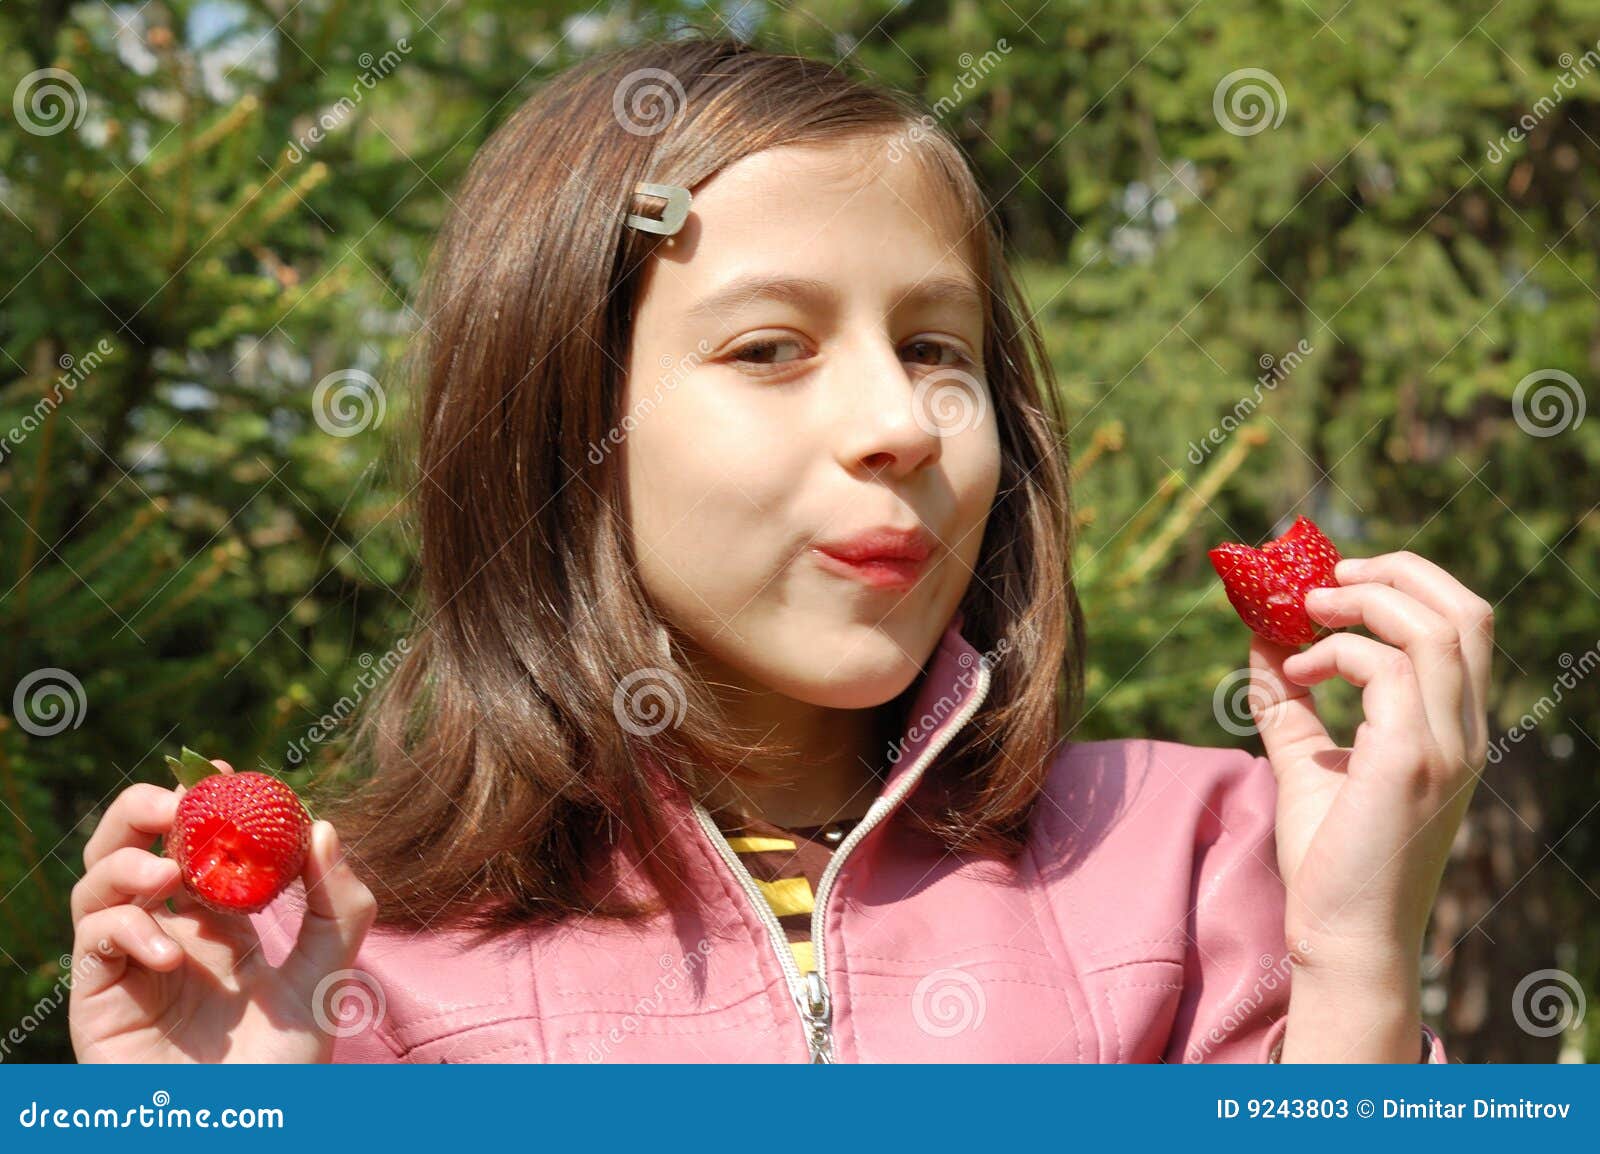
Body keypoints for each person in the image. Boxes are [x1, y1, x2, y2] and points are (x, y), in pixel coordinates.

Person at [68, 33, 1492, 1064]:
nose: (902, 422)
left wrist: (1354, 956)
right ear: (559, 420)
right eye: (769, 347)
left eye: (939, 347)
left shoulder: (1205, 861)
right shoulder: (338, 964)